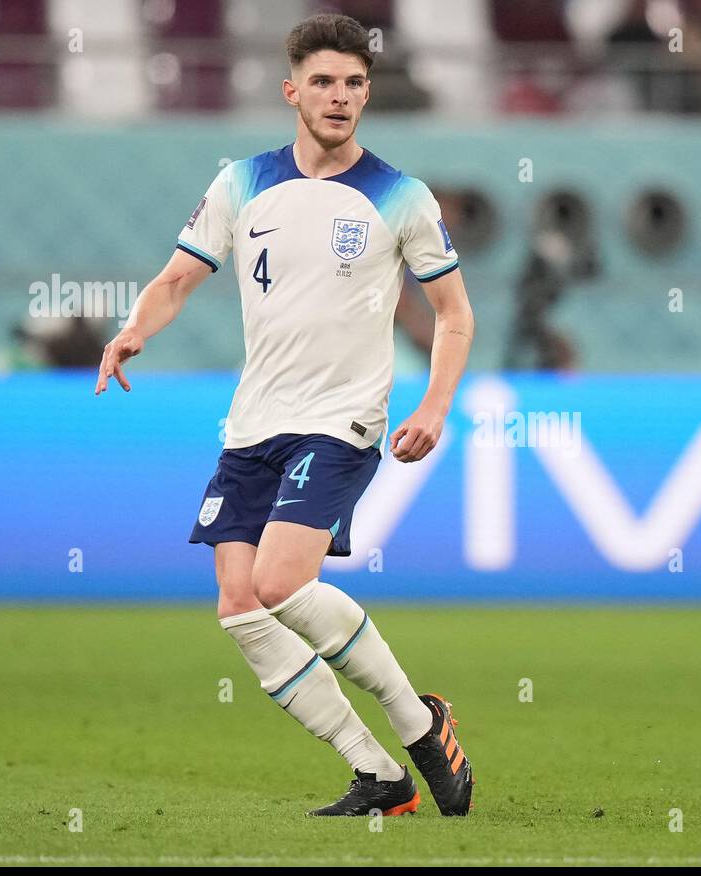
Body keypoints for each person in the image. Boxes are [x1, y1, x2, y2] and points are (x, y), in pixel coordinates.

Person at [94, 13, 476, 817]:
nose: (341, 98)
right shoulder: (242, 182)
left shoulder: (400, 197)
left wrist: (435, 404)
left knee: (278, 580)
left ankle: (418, 721)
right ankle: (378, 772)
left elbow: (453, 314)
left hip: (341, 422)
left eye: (355, 84)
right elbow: (174, 280)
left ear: (368, 92)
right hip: (252, 425)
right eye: (326, 82)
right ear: (292, 90)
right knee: (239, 605)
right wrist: (133, 330)